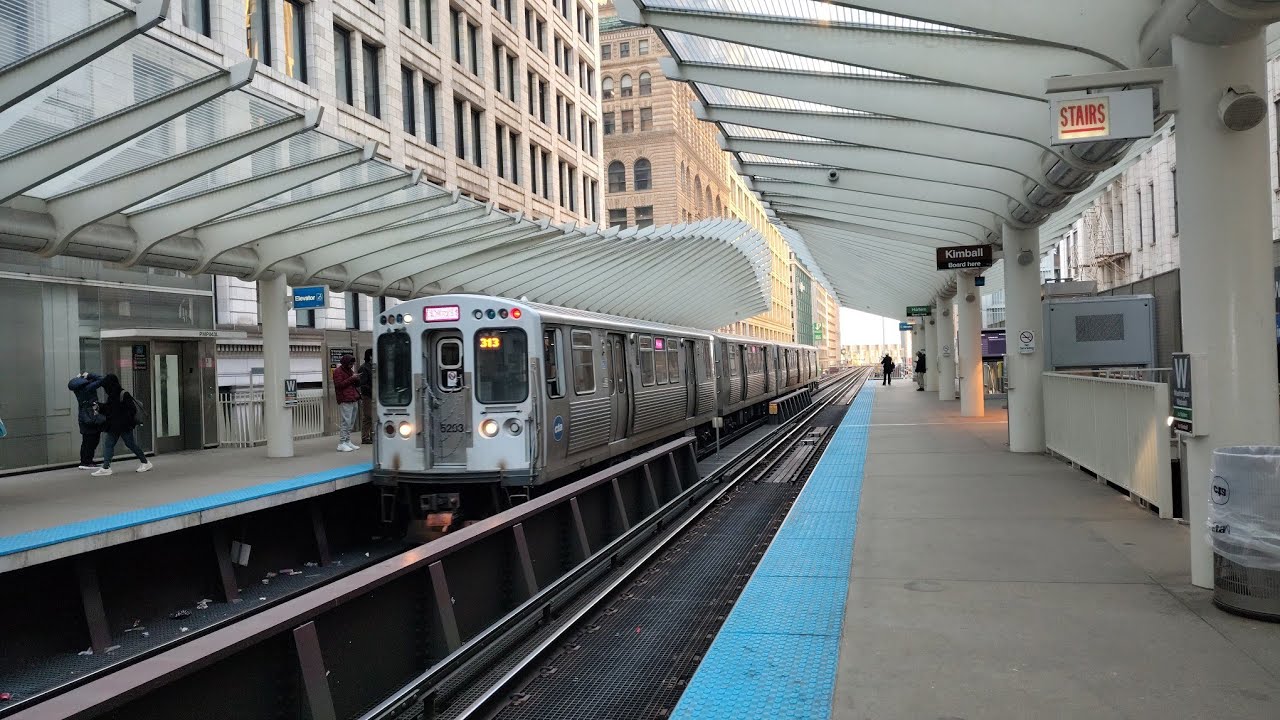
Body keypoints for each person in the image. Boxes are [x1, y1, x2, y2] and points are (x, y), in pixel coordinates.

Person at [91, 374, 153, 476]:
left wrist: (121, 419)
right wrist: (99, 407)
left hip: (123, 426)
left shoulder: (124, 394)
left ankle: (145, 462)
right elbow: (109, 409)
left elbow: (131, 410)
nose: (105, 389)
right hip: (116, 426)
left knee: (130, 444)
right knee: (109, 444)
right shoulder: (112, 395)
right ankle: (106, 467)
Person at [68, 371, 106, 469]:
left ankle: (85, 461)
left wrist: (85, 378)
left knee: (86, 441)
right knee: (92, 440)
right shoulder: (88, 388)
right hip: (91, 416)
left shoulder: (79, 389)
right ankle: (87, 462)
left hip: (84, 417)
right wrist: (90, 375)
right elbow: (102, 379)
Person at [333, 354, 360, 452]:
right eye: (350, 363)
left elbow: (352, 383)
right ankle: (341, 443)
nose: (352, 365)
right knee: (346, 421)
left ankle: (348, 441)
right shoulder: (337, 372)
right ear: (345, 363)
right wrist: (352, 378)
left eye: (352, 363)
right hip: (345, 399)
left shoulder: (349, 371)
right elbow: (339, 385)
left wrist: (356, 379)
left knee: (351, 421)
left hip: (353, 398)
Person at [358, 349, 374, 446]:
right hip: (367, 395)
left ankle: (372, 435)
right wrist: (371, 391)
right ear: (370, 356)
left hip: (374, 395)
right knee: (368, 416)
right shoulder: (364, 368)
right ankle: (365, 437)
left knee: (373, 416)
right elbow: (363, 384)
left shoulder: (374, 367)